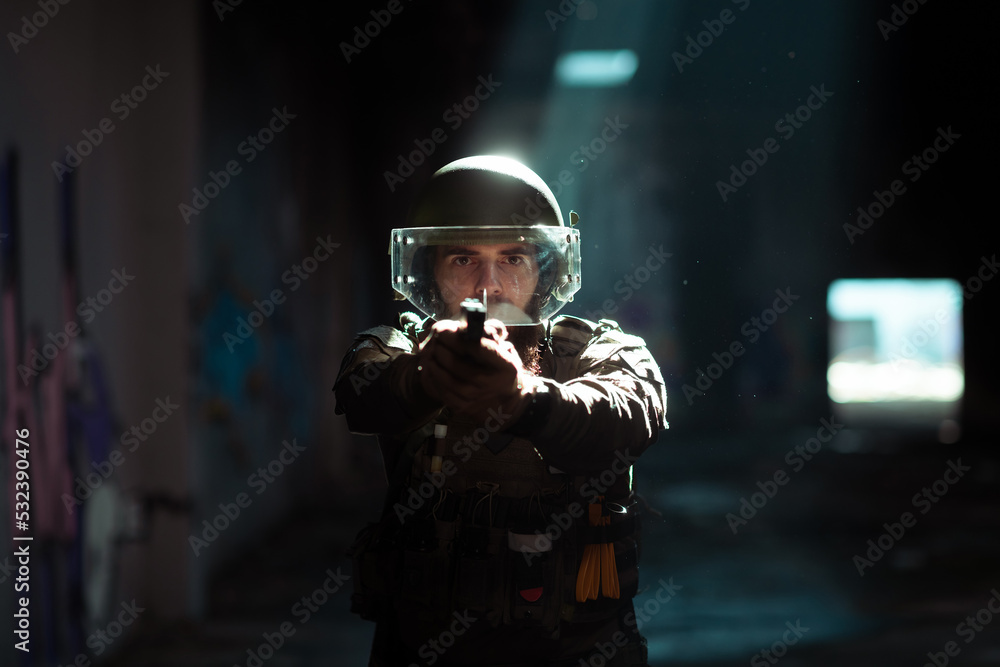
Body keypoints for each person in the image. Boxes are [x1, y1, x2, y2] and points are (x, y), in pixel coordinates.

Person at [333, 155, 668, 666]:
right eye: (463, 259)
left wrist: (522, 398)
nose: (488, 286)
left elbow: (627, 414)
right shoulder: (400, 350)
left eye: (513, 259)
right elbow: (365, 394)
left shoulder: (598, 352)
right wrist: (430, 378)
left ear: (544, 273)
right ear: (429, 274)